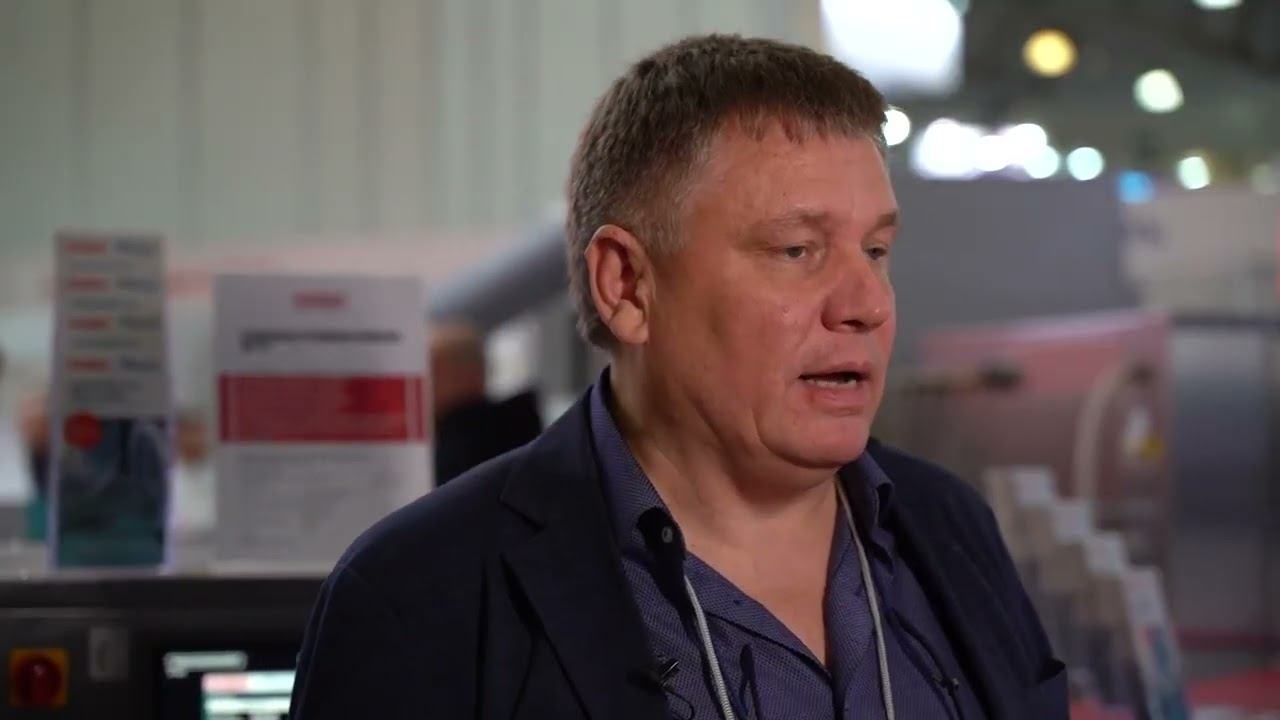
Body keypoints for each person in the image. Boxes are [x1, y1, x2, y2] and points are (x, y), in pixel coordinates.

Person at [290, 35, 1066, 720]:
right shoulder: (421, 597)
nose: (867, 304)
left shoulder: (950, 527)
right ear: (628, 286)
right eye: (796, 250)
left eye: (876, 251)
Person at [429, 322, 543, 485]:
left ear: (464, 376)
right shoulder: (522, 438)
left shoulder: (462, 455)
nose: (425, 388)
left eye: (433, 375)